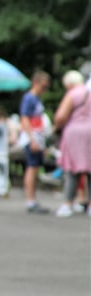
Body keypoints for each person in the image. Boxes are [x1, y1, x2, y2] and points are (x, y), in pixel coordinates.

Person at [53, 70, 91, 217]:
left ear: (69, 84)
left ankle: (67, 203)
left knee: (72, 169)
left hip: (75, 133)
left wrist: (57, 127)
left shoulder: (73, 94)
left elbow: (60, 116)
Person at [19, 70, 51, 214]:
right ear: (35, 83)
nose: (44, 90)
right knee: (32, 167)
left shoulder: (37, 99)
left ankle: (33, 199)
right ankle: (30, 201)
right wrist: (32, 139)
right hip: (31, 138)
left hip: (38, 137)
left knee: (36, 167)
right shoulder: (29, 98)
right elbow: (24, 119)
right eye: (42, 86)